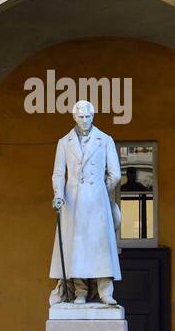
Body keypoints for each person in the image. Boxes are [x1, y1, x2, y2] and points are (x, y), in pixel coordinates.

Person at [49, 100, 122, 305]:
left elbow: (115, 174)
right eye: (81, 117)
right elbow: (57, 173)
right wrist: (59, 195)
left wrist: (99, 189)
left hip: (97, 201)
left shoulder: (105, 140)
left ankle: (105, 291)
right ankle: (80, 291)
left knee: (101, 245)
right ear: (74, 117)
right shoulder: (64, 142)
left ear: (93, 116)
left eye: (88, 116)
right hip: (72, 202)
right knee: (77, 245)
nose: (85, 120)